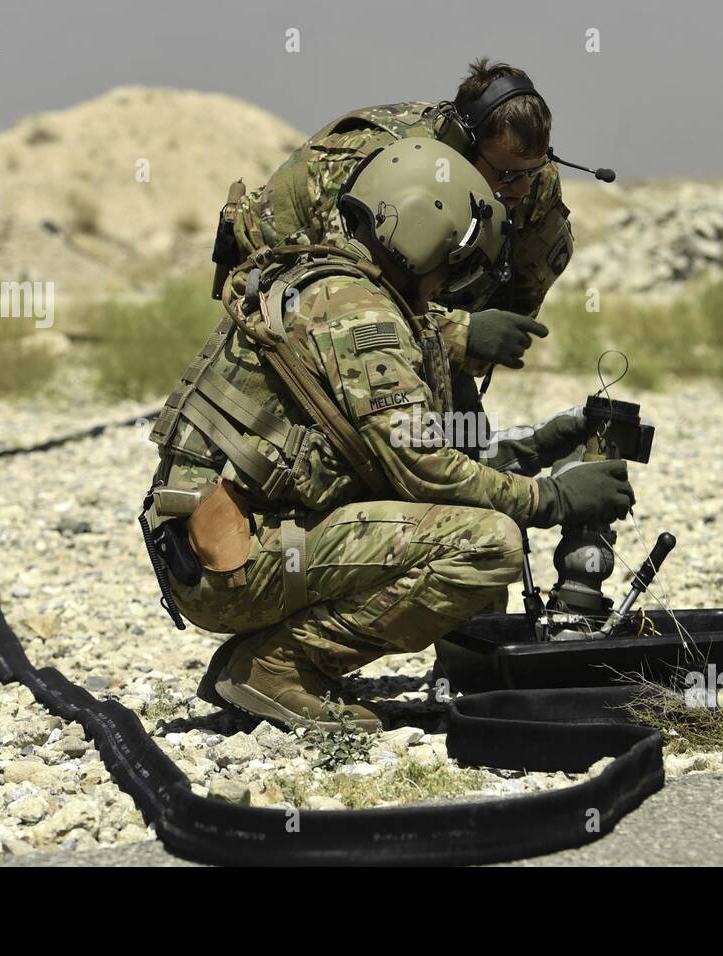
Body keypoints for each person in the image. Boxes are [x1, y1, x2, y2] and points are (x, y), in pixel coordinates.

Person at [147, 139, 632, 731]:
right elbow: (424, 469)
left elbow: (408, 445)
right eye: (455, 262)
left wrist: (532, 446)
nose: (450, 281)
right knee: (488, 544)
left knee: (468, 517)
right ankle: (280, 666)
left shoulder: (341, 287)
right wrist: (550, 500)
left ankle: (464, 673)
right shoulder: (361, 313)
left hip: (234, 545)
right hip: (233, 562)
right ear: (430, 239)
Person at [213, 58, 577, 386]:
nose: (523, 187)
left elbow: (511, 303)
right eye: (508, 174)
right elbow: (343, 302)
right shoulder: (379, 171)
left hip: (385, 302)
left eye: (533, 169)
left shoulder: (531, 181)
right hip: (279, 282)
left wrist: (472, 347)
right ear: (462, 147)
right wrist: (460, 334)